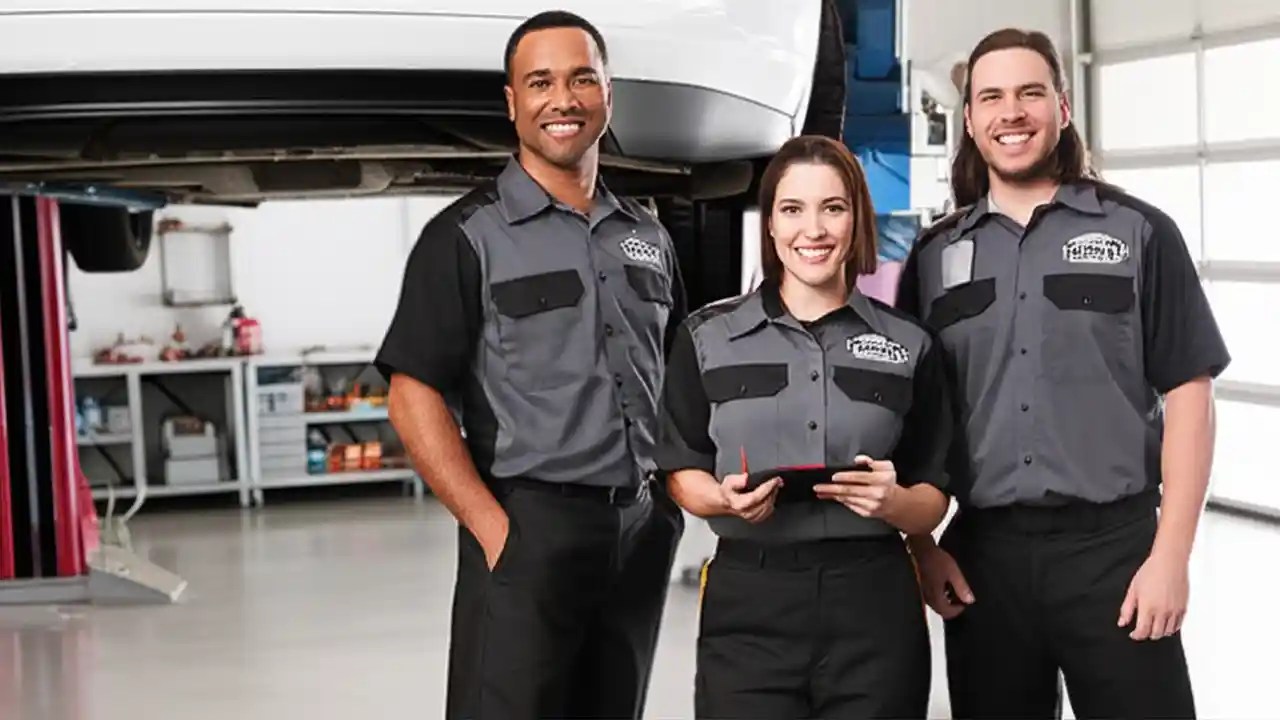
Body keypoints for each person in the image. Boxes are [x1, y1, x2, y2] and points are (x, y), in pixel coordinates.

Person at [896, 28, 1230, 720]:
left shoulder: (1141, 232)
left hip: (1117, 554)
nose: (1010, 112)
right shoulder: (932, 257)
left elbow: (1190, 394)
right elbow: (906, 419)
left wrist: (1172, 556)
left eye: (1029, 93)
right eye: (991, 97)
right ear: (969, 120)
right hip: (983, 560)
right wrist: (921, 545)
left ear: (1062, 107)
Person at [375, 11, 685, 720]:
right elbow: (411, 395)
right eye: (540, 82)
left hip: (638, 528)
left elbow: (675, 378)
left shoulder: (648, 236)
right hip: (529, 527)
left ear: (609, 94)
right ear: (513, 102)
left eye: (582, 79)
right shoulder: (464, 236)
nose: (563, 99)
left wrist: (669, 502)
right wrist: (494, 531)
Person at [657, 134, 953, 719]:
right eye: (792, 209)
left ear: (856, 220)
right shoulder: (705, 337)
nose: (812, 230)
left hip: (874, 606)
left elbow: (932, 499)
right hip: (750, 600)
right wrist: (721, 497)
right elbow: (679, 469)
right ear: (770, 224)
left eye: (833, 208)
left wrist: (892, 502)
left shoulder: (910, 345)